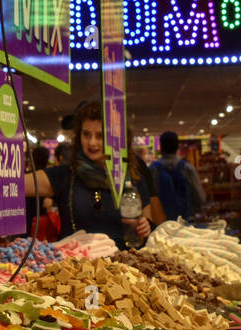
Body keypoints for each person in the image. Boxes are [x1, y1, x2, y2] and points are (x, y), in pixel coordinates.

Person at [24, 102, 158, 249]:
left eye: (100, 136)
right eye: (86, 134)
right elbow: (14, 185)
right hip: (77, 267)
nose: (92, 142)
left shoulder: (132, 175)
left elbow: (147, 221)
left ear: (116, 137)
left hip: (125, 266)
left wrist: (145, 226)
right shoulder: (65, 175)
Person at [150, 131, 205, 222]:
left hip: (161, 223)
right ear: (177, 146)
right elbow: (200, 197)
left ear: (161, 147)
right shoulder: (187, 167)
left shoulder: (153, 169)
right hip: (185, 220)